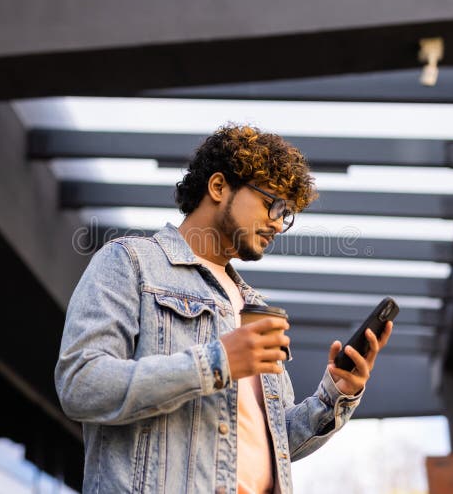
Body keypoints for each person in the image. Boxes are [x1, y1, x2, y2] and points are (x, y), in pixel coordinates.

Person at [55, 124, 393, 494]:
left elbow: (275, 443)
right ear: (218, 187)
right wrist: (216, 363)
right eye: (272, 204)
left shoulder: (255, 307)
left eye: (288, 214)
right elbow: (80, 384)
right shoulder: (130, 263)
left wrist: (336, 393)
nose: (279, 224)